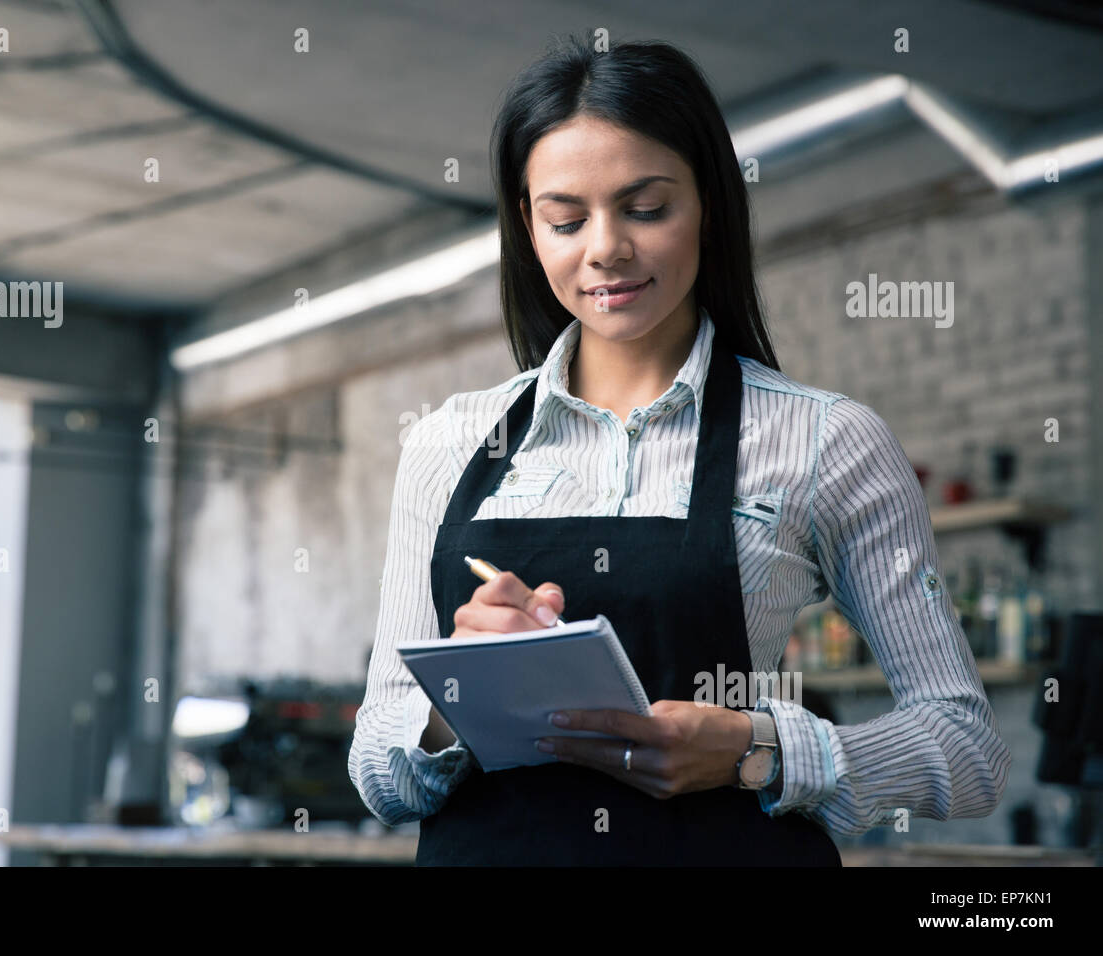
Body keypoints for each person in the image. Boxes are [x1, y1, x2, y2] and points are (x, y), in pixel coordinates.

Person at [347, 33, 1010, 865]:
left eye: (646, 208)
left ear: (709, 204)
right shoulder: (447, 443)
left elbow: (967, 748)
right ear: (528, 225)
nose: (604, 249)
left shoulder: (825, 441)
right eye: (564, 218)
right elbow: (378, 769)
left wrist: (755, 749)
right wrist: (455, 703)